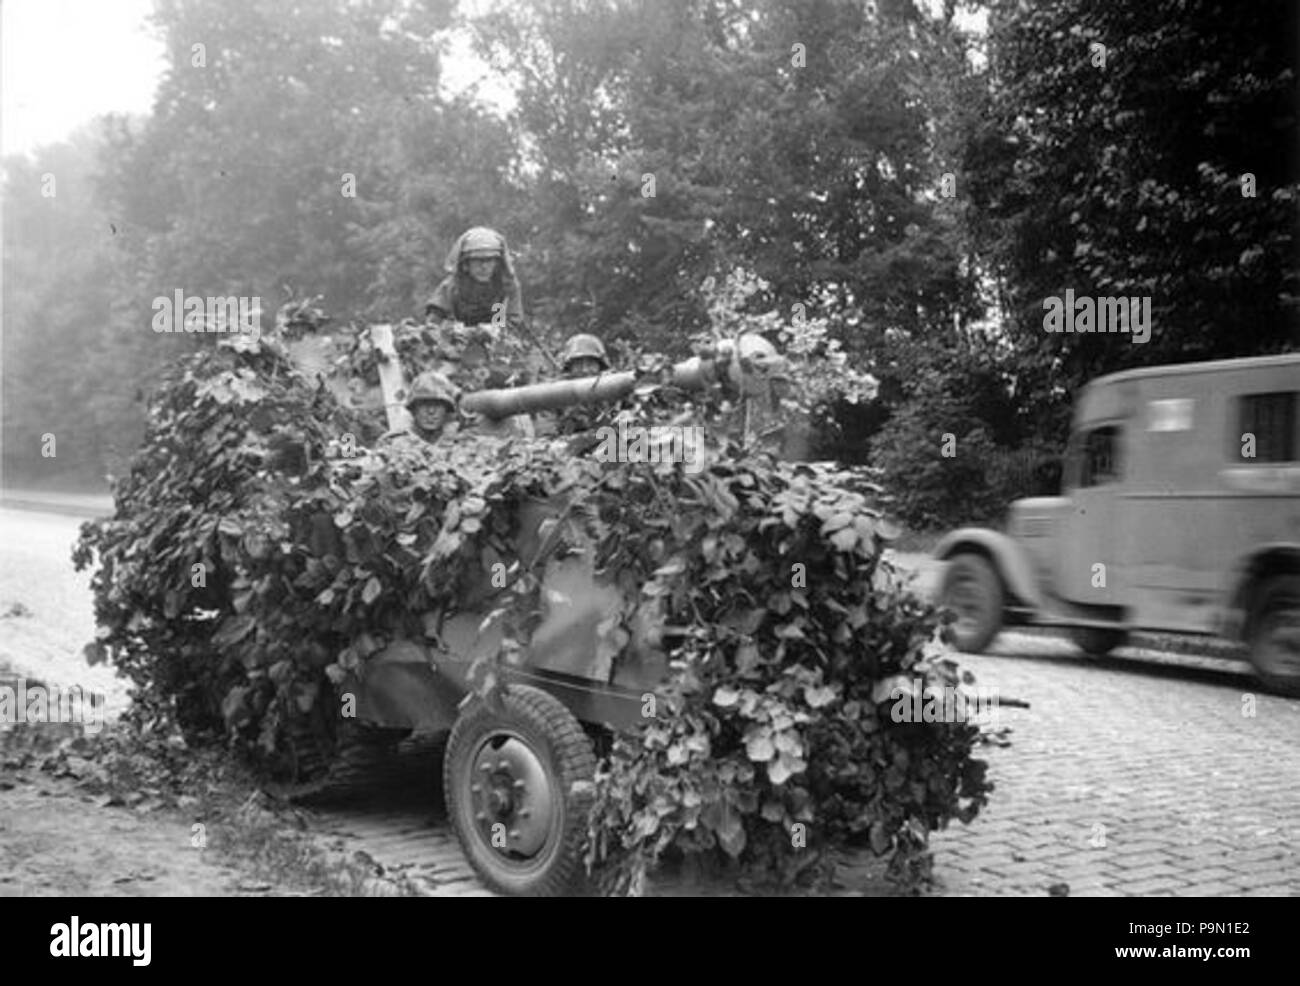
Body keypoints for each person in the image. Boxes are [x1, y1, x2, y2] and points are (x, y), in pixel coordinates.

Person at [424, 226, 525, 335]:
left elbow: (514, 323)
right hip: (456, 341)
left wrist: (493, 330)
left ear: (497, 264)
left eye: (489, 260)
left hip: (496, 342)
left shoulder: (505, 286)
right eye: (477, 261)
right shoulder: (452, 286)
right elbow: (433, 323)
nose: (484, 267)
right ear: (466, 264)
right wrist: (451, 329)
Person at [396, 370, 460, 444]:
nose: (431, 411)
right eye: (424, 404)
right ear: (413, 409)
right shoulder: (394, 443)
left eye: (438, 404)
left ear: (447, 409)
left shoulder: (462, 440)